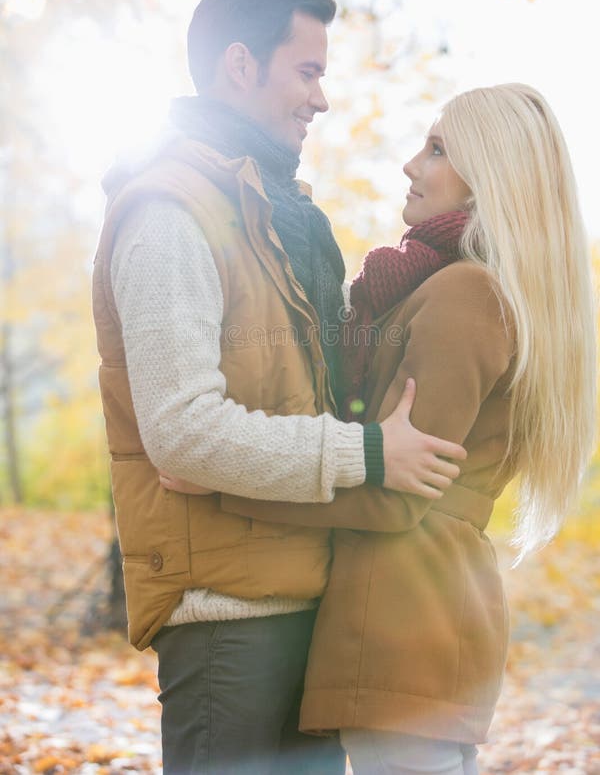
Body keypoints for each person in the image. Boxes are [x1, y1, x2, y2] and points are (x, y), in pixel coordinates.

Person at [91, 0, 467, 775]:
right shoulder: (169, 213)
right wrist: (369, 455)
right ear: (239, 66)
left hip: (309, 609)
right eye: (308, 71)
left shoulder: (278, 215)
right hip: (229, 631)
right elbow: (183, 432)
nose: (321, 98)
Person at [218, 83, 596, 773]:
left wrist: (225, 485)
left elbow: (394, 488)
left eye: (439, 149)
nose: (410, 165)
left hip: (405, 623)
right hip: (412, 618)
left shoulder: (466, 294)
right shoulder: (454, 285)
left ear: (491, 176)